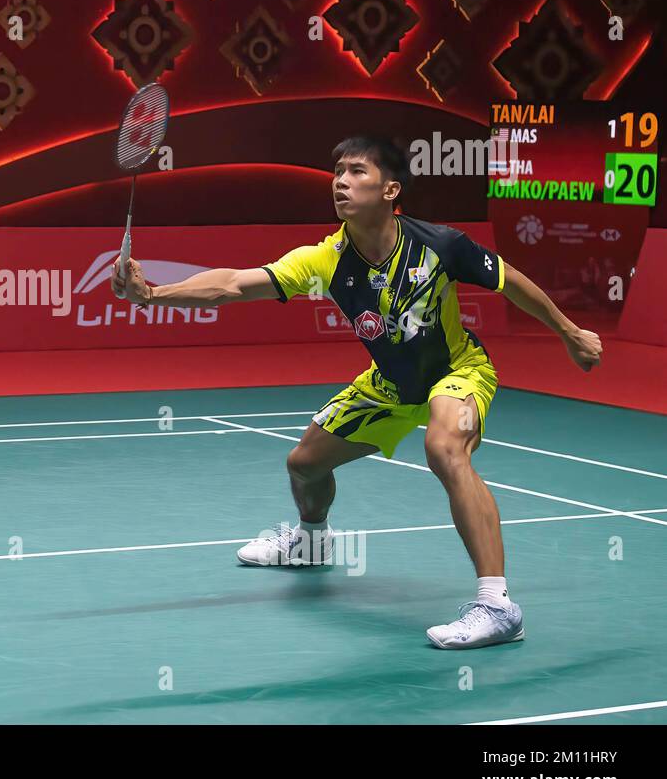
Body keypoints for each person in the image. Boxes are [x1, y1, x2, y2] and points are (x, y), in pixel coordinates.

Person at [112, 135, 603, 649]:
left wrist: (569, 332)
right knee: (303, 464)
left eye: (356, 172)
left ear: (391, 189)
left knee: (444, 449)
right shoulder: (325, 259)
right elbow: (236, 284)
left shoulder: (441, 245)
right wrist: (151, 294)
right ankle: (310, 542)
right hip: (388, 386)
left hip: (456, 371)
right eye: (337, 173)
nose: (341, 182)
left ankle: (497, 606)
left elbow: (510, 281)